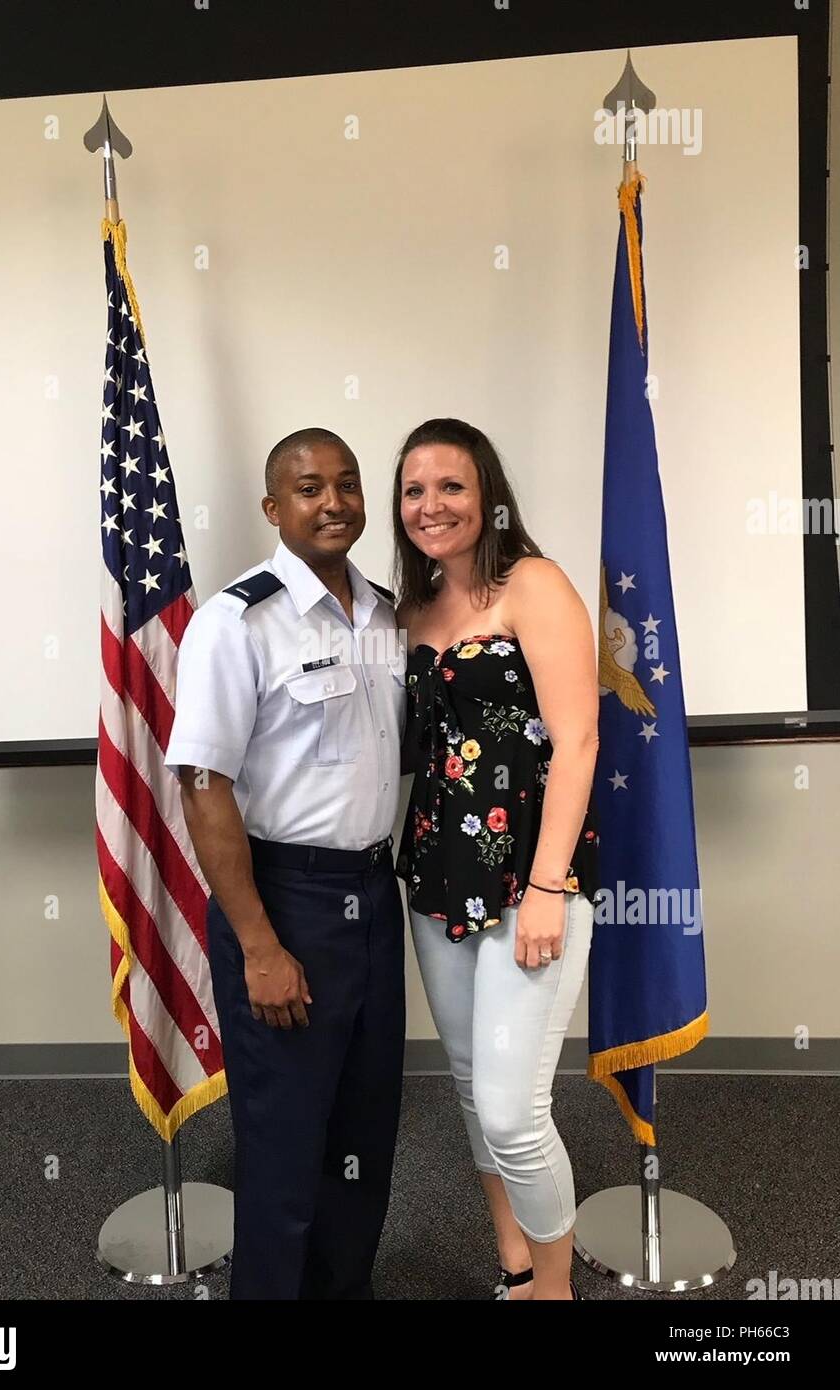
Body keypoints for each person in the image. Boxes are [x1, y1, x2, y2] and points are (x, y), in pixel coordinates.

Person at [165, 427, 407, 1300]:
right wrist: (259, 946)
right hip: (284, 901)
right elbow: (203, 787)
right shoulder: (237, 622)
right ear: (274, 508)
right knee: (285, 1143)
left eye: (346, 484)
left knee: (363, 1134)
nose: (333, 501)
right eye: (309, 488)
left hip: (373, 898)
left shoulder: (384, 613)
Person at [393, 417, 600, 1302]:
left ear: (487, 495)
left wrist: (549, 886)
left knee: (517, 1114)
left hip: (529, 878)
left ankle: (552, 1289)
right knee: (477, 1094)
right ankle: (513, 1260)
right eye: (413, 490)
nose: (430, 505)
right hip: (435, 877)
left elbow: (579, 739)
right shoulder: (407, 610)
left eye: (450, 486)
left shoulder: (533, 584)